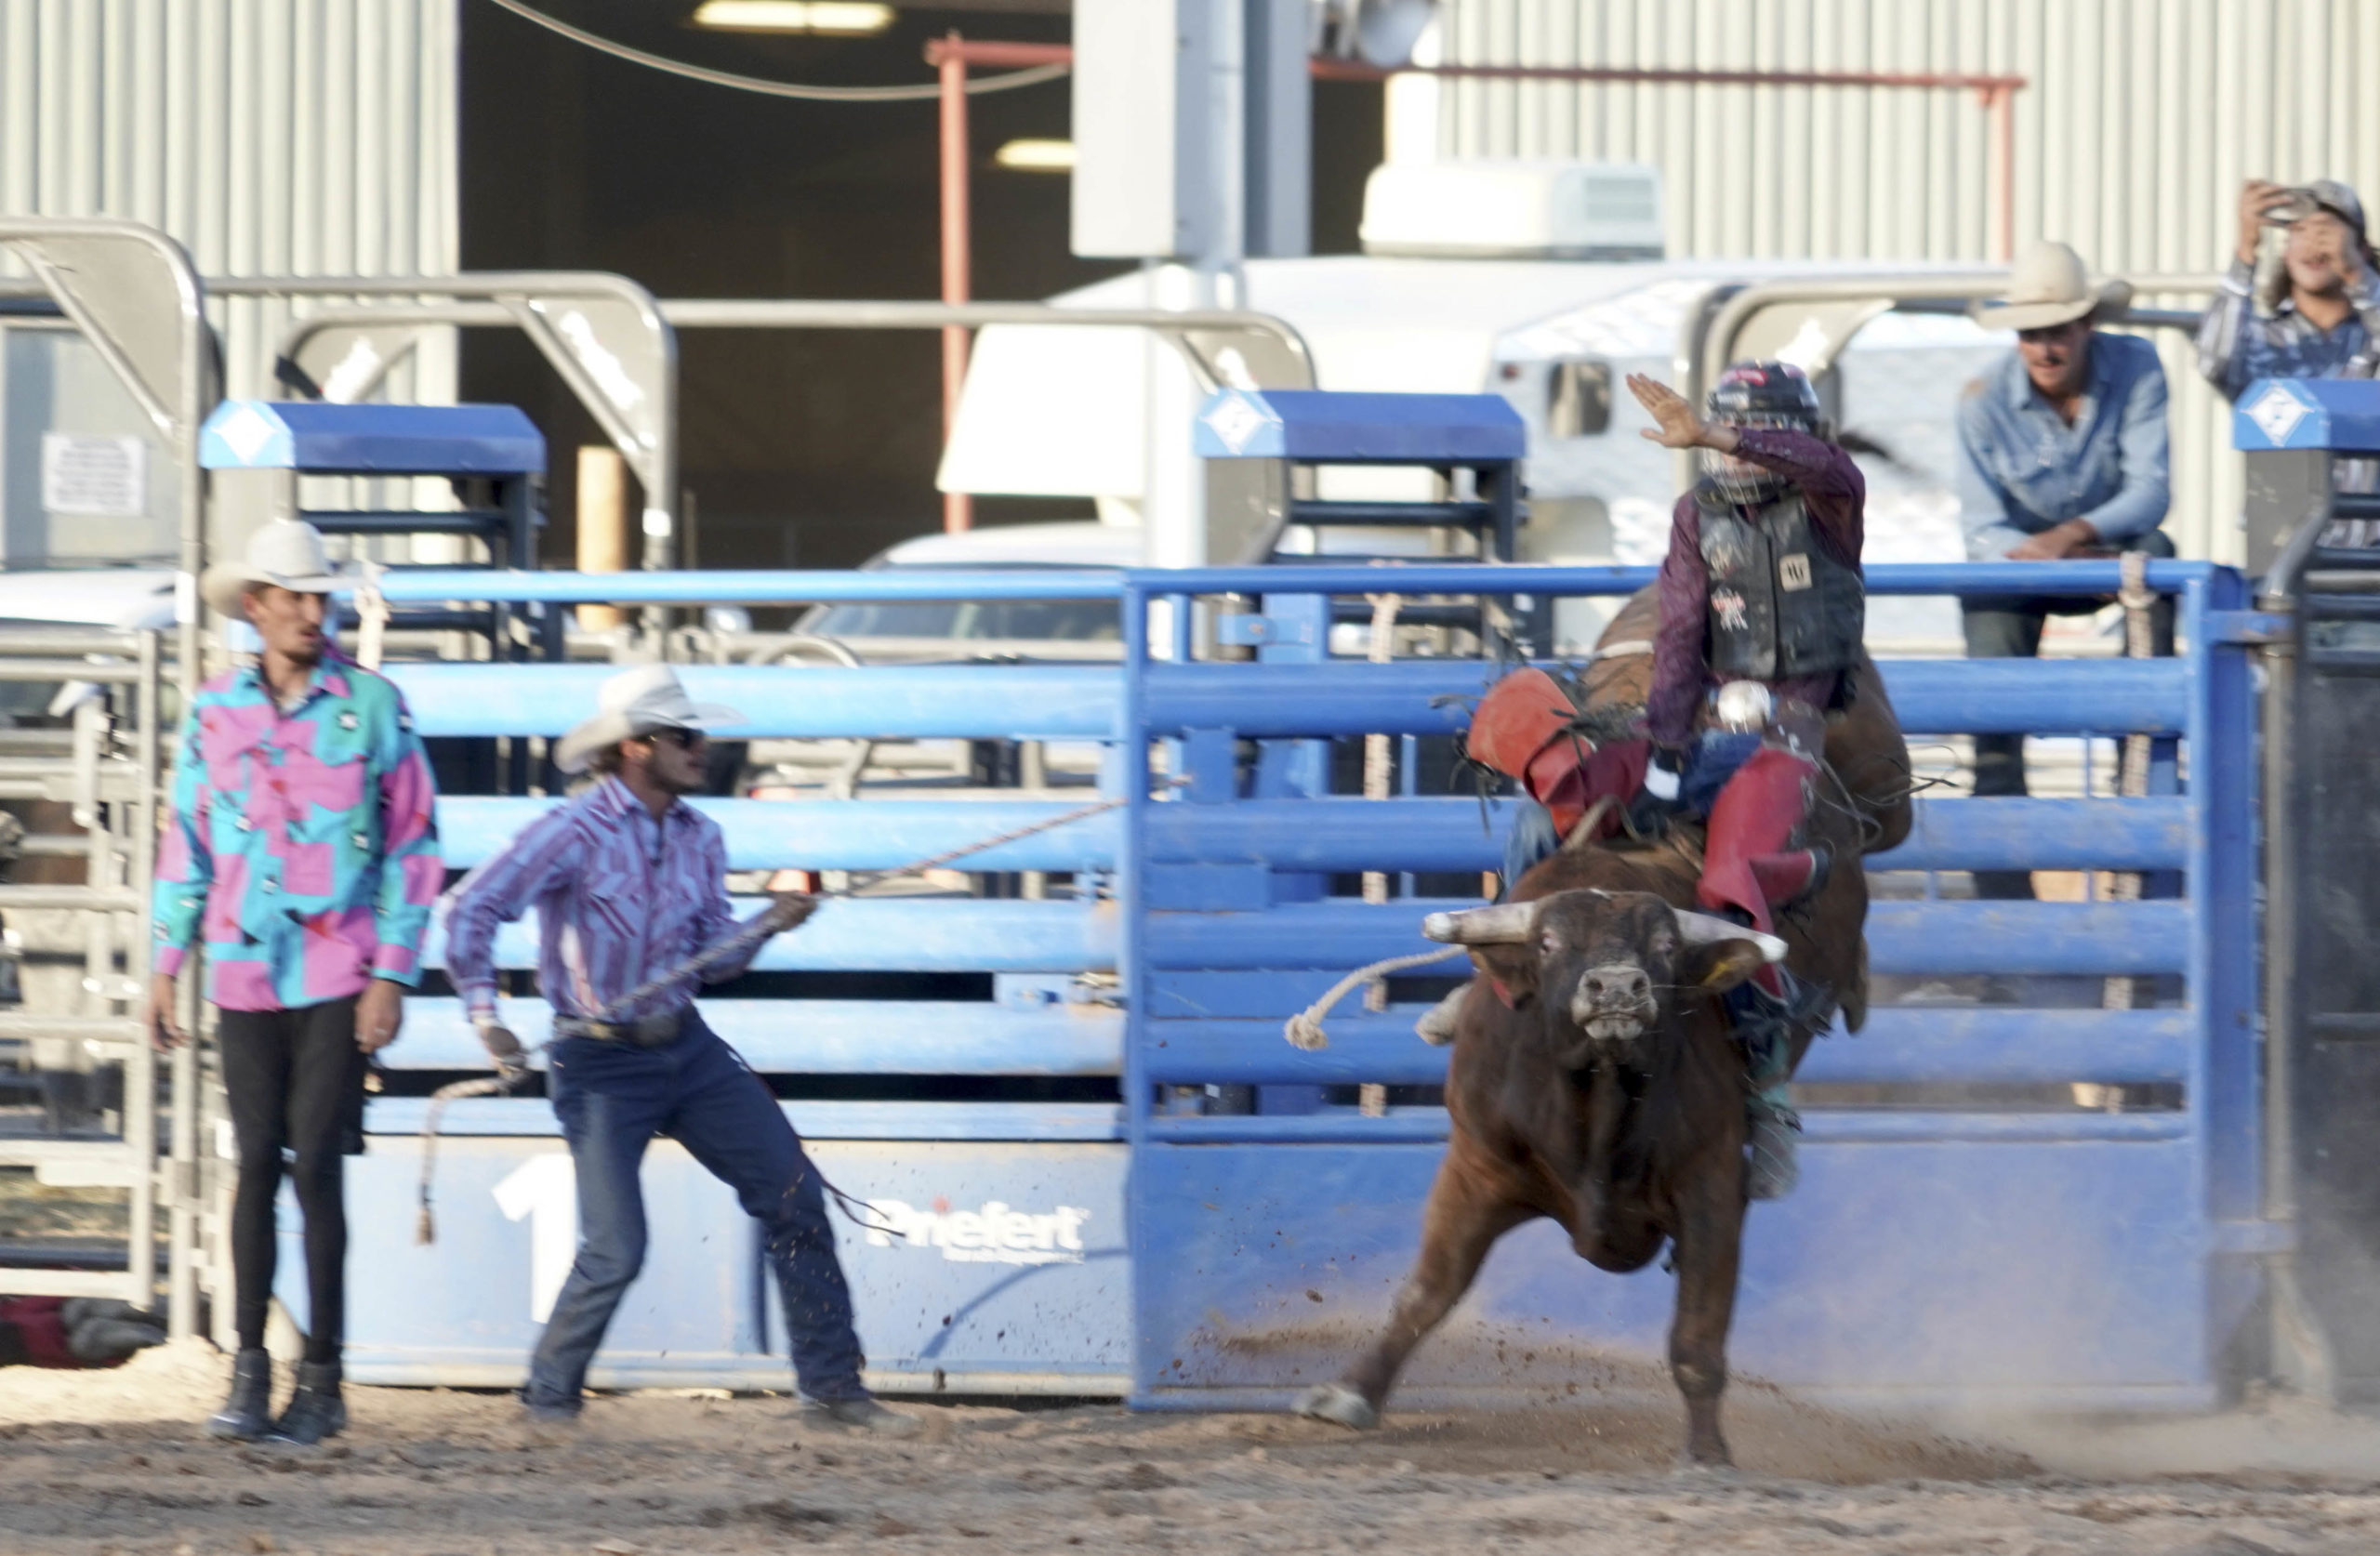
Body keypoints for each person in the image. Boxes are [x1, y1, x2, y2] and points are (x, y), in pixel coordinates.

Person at [443, 665, 917, 1435]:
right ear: (636, 747)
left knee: (794, 1196)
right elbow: (474, 906)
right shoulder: (573, 830)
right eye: (684, 736)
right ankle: (548, 1398)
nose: (701, 748)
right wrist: (484, 1013)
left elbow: (709, 959)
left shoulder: (702, 837)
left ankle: (833, 1389)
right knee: (617, 1246)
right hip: (596, 1058)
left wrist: (766, 924)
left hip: (684, 1046)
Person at [1458, 362, 1865, 1200]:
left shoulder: (1829, 501)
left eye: (1754, 433)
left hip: (1785, 734)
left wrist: (1716, 433)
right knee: (1553, 807)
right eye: (1724, 429)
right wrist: (1669, 752)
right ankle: (1502, 982)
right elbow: (1680, 633)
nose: (1735, 454)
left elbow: (1828, 468)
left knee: (1730, 885)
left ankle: (1766, 1090)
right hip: (1705, 723)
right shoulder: (1697, 515)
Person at [145, 519, 443, 1444]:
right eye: (295, 597)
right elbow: (186, 842)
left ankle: (323, 1378)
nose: (313, 611)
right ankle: (248, 1368)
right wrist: (166, 963)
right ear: (256, 607)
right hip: (241, 972)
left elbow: (413, 845)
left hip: (336, 971)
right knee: (253, 1170)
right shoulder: (213, 714)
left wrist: (391, 972)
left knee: (314, 1166)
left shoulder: (374, 707)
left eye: (321, 596)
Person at [1958, 241, 2173, 900]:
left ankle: (2141, 822)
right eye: (2031, 334)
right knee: (1995, 730)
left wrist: (2069, 537)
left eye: (2058, 332)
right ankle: (2000, 913)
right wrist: (2048, 552)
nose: (2045, 349)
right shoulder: (1981, 399)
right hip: (2022, 570)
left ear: (2087, 327)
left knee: (2159, 560)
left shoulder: (2137, 369)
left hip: (2101, 553)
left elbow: (2151, 489)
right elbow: (1981, 529)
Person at [2198, 178, 2380, 402]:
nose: (2314, 245)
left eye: (2327, 230)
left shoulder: (2370, 337)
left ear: (2361, 250)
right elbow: (2214, 364)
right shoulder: (2262, 340)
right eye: (2300, 230)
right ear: (2286, 250)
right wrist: (2246, 249)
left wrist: (2356, 273)